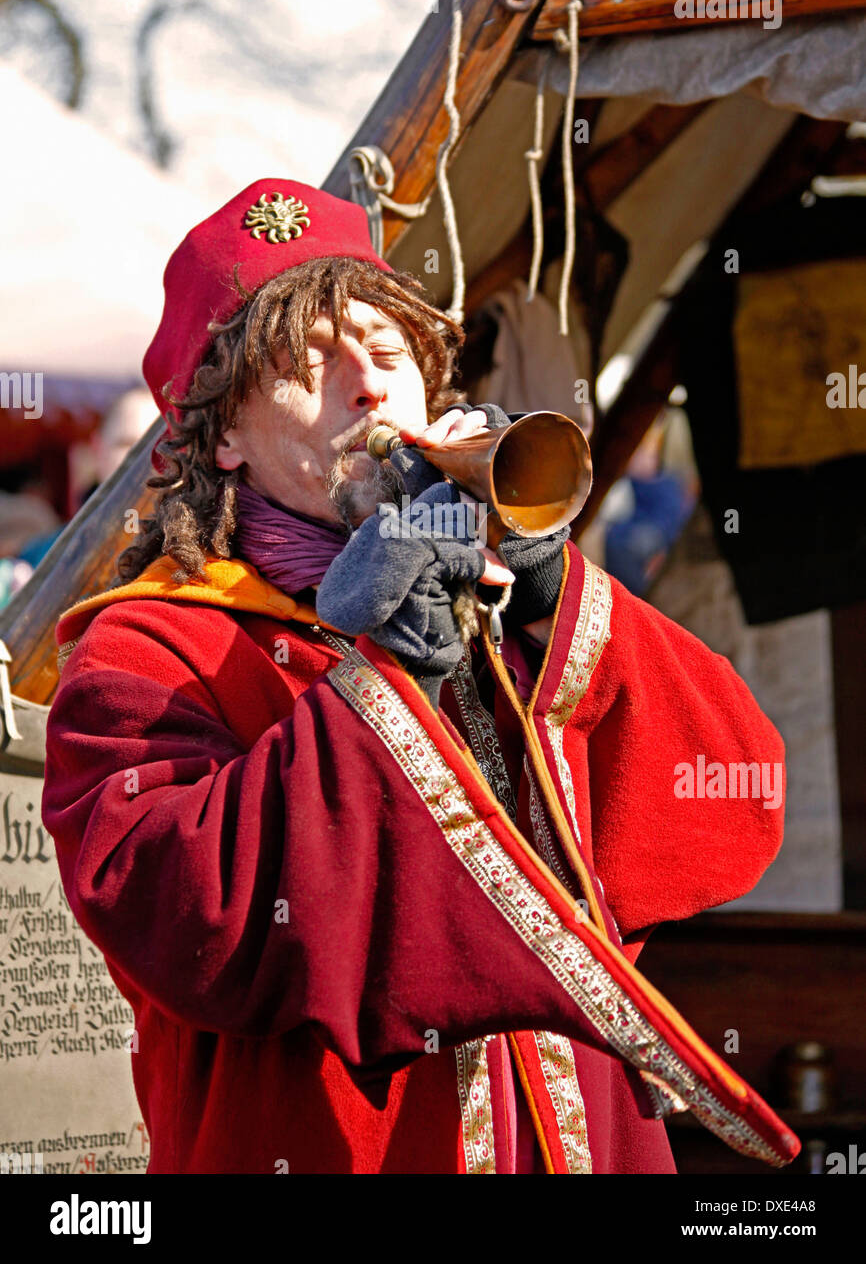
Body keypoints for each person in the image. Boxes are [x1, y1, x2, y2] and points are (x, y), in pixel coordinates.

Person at [42, 179, 796, 1175]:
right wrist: (382, 672)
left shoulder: (503, 599)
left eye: (388, 352)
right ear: (222, 434)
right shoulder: (144, 651)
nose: (365, 384)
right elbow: (196, 925)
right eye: (303, 368)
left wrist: (549, 592)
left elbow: (733, 797)